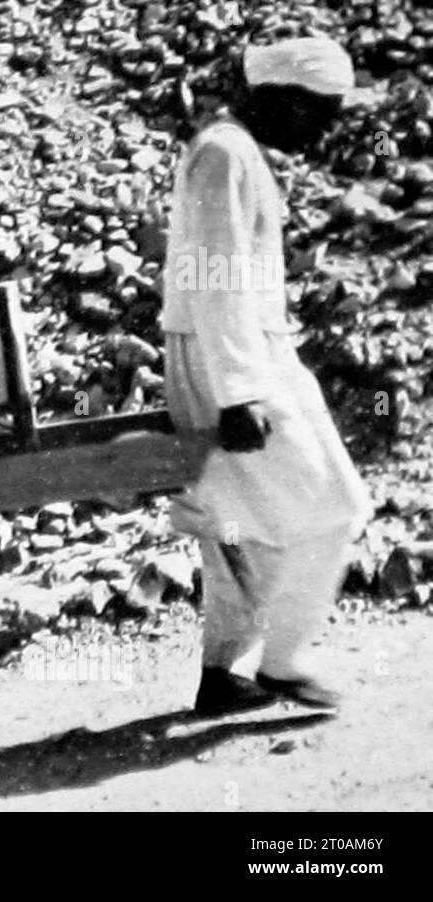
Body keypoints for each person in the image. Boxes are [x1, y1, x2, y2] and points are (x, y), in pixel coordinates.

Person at [162, 37, 373, 717]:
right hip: (232, 359)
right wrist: (237, 393)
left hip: (241, 354)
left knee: (240, 521)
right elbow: (213, 276)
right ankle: (277, 664)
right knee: (332, 505)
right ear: (283, 99)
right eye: (321, 112)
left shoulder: (234, 152)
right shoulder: (226, 153)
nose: (327, 128)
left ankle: (227, 674)